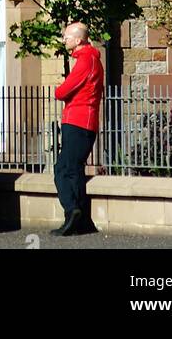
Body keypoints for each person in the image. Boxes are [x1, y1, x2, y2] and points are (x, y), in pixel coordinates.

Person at [52, 21, 105, 236]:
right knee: (74, 171)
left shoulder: (86, 60)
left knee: (63, 170)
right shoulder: (88, 60)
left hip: (78, 121)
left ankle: (72, 211)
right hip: (81, 121)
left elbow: (63, 91)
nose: (64, 40)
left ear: (78, 39)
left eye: (67, 36)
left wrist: (59, 88)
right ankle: (82, 221)